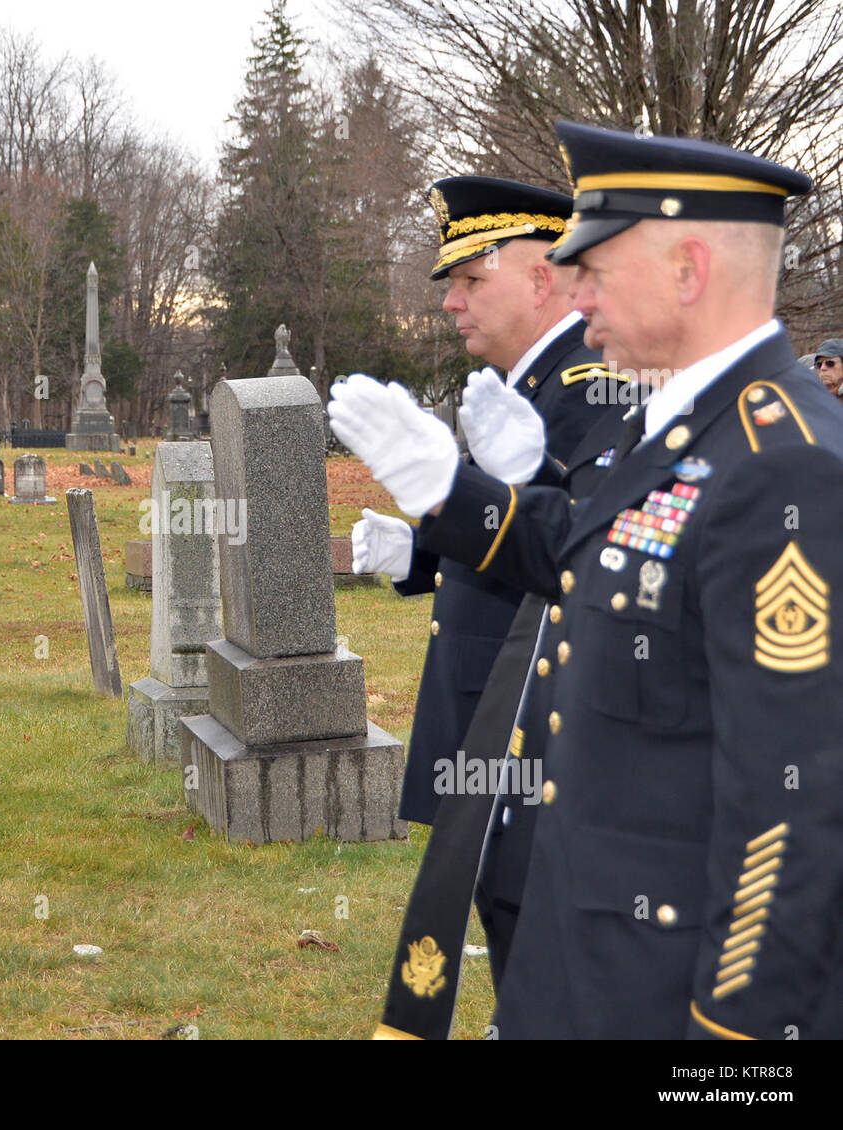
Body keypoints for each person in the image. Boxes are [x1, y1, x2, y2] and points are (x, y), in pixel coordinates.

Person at [336, 121, 843, 1040]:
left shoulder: (782, 463)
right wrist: (453, 497)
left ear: (689, 270)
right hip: (585, 969)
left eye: (598, 268)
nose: (578, 292)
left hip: (665, 993)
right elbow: (580, 563)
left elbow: (794, 803)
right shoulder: (682, 430)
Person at [354, 176, 623, 987]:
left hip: (538, 750)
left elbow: (585, 547)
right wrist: (424, 555)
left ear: (542, 278)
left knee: (550, 978)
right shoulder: (523, 384)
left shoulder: (587, 386)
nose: (450, 302)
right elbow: (521, 526)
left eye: (472, 280)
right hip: (494, 742)